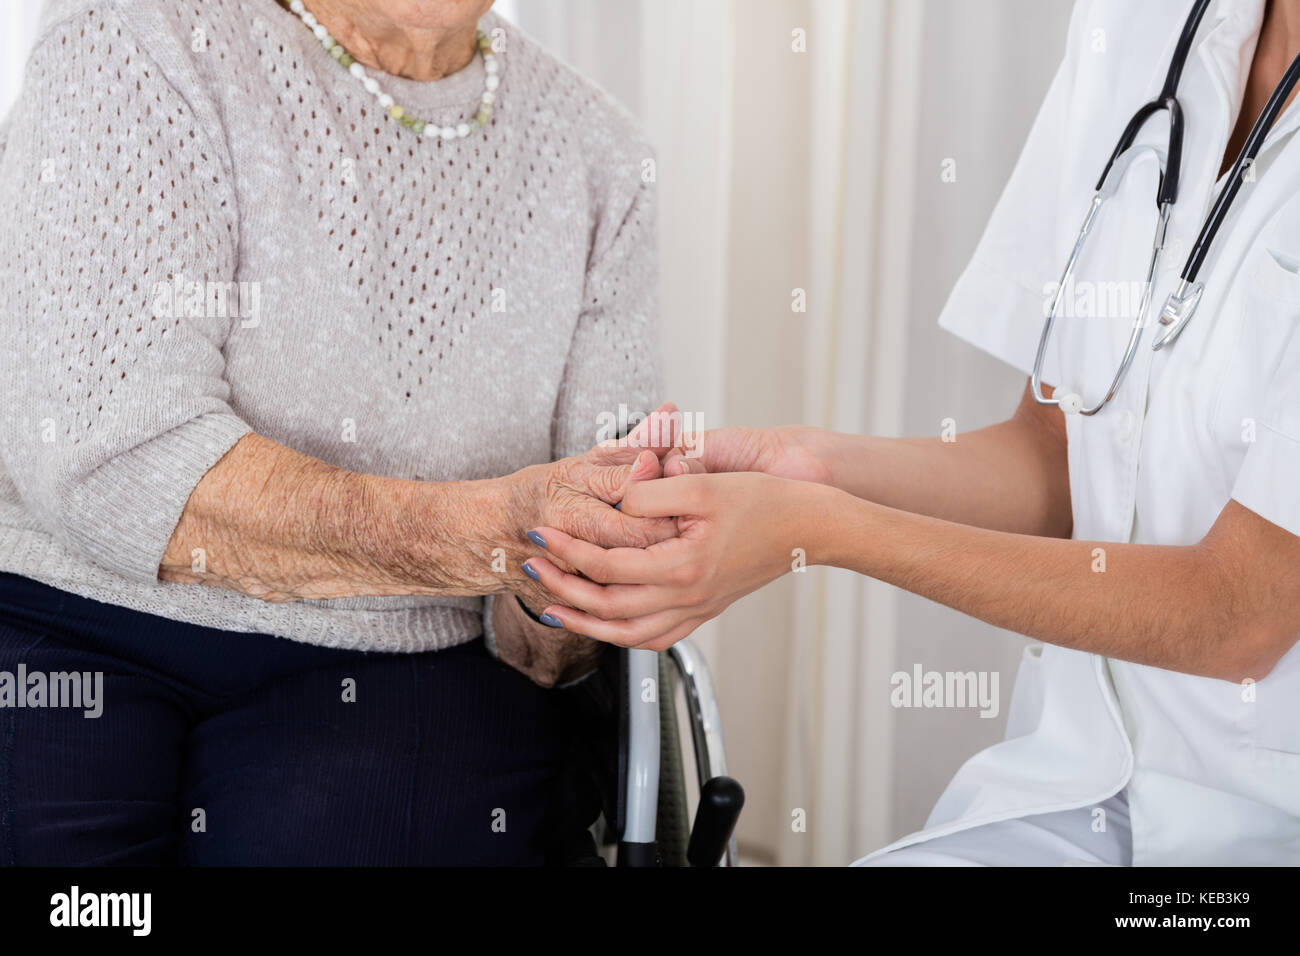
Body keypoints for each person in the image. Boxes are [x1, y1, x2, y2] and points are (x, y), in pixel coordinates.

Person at [520, 0, 1300, 865]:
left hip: (1253, 827)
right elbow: (1054, 454)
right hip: (1065, 794)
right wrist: (805, 470)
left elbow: (1241, 614)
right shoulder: (1138, 24)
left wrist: (818, 532)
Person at [0, 0, 672, 864]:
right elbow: (109, 454)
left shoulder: (602, 156)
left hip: (401, 655)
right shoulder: (134, 35)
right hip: (77, 611)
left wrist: (588, 573)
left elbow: (546, 629)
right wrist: (491, 531)